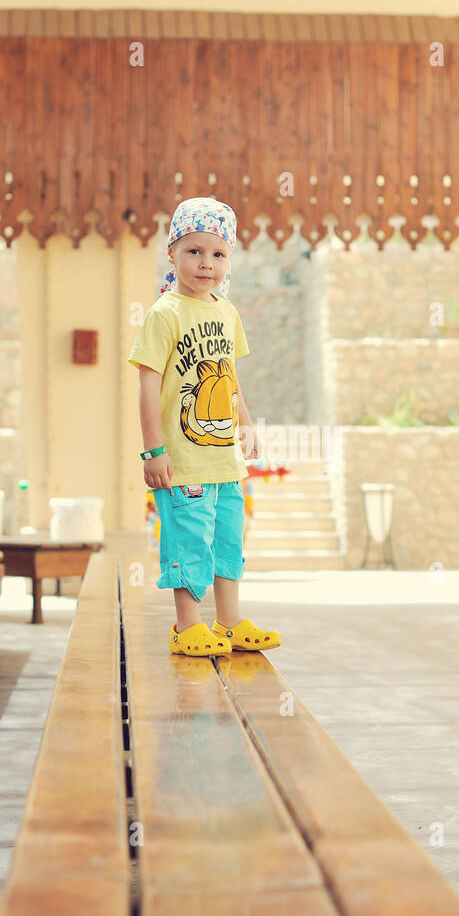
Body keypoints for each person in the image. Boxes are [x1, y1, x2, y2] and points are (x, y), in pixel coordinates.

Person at [128, 196, 281, 658]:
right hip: (184, 460)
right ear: (172, 253)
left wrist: (248, 424)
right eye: (194, 251)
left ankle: (229, 621)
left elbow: (228, 377)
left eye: (217, 254)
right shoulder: (164, 314)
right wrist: (154, 452)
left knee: (228, 538)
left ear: (229, 260)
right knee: (189, 539)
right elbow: (148, 386)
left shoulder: (226, 312)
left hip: (224, 459)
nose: (206, 264)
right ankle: (187, 625)